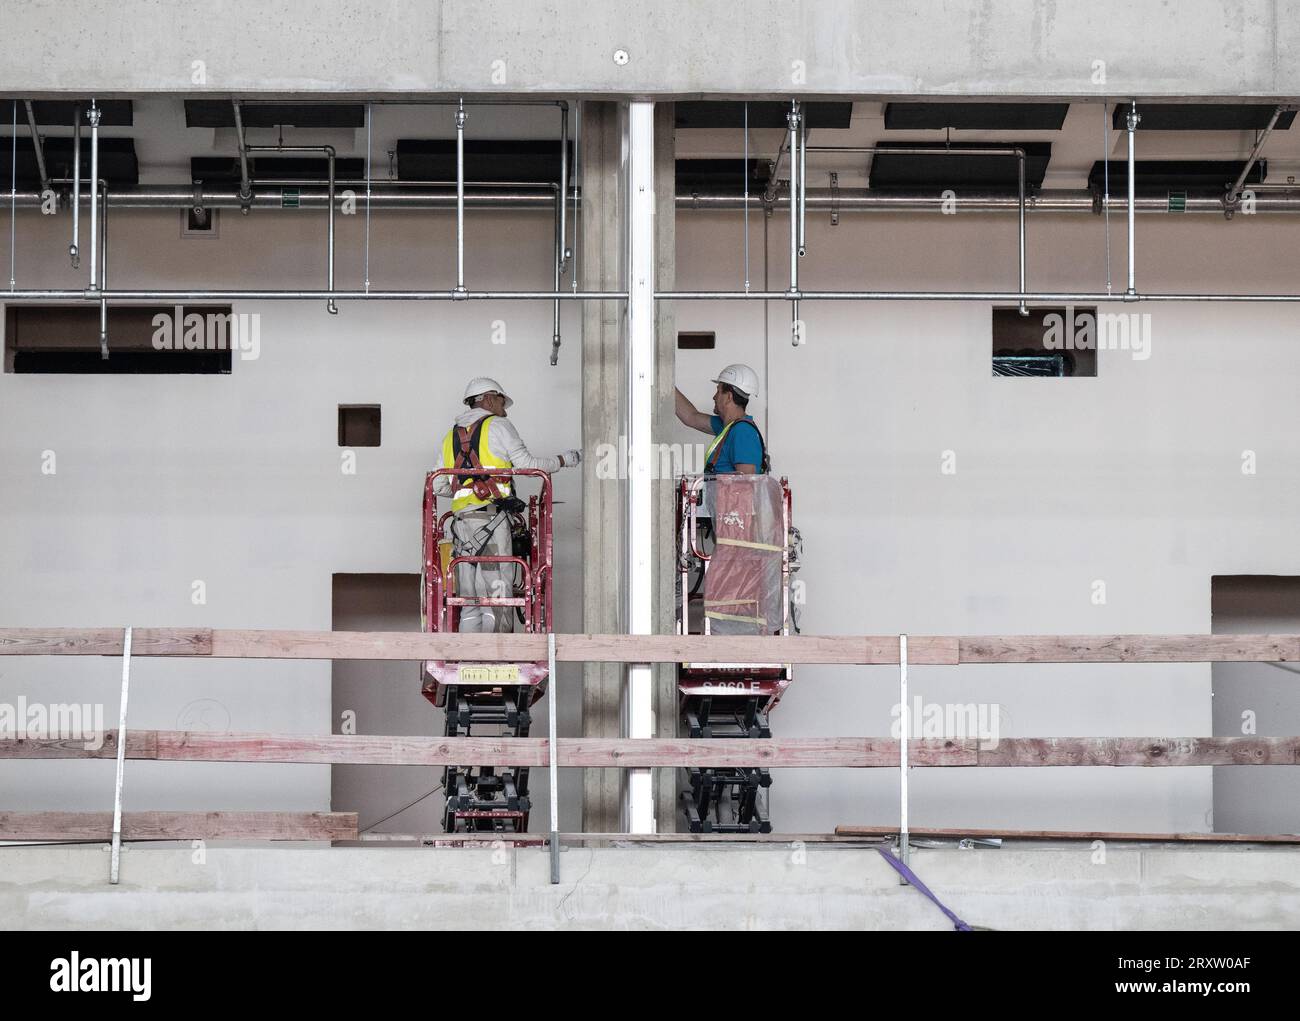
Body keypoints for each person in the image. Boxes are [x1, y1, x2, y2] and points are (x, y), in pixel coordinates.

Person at [436, 377, 580, 633]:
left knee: (469, 601)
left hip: (461, 527)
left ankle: (471, 656)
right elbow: (527, 464)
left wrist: (466, 490)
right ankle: (498, 658)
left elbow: (438, 486)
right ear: (489, 399)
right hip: (491, 522)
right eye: (502, 401)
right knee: (497, 597)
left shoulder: (450, 436)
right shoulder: (499, 425)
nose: (505, 408)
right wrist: (564, 460)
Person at [674, 362, 767, 474]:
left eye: (718, 391)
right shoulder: (728, 427)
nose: (714, 397)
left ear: (728, 397)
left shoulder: (742, 432)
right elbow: (691, 417)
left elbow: (746, 485)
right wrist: (666, 382)